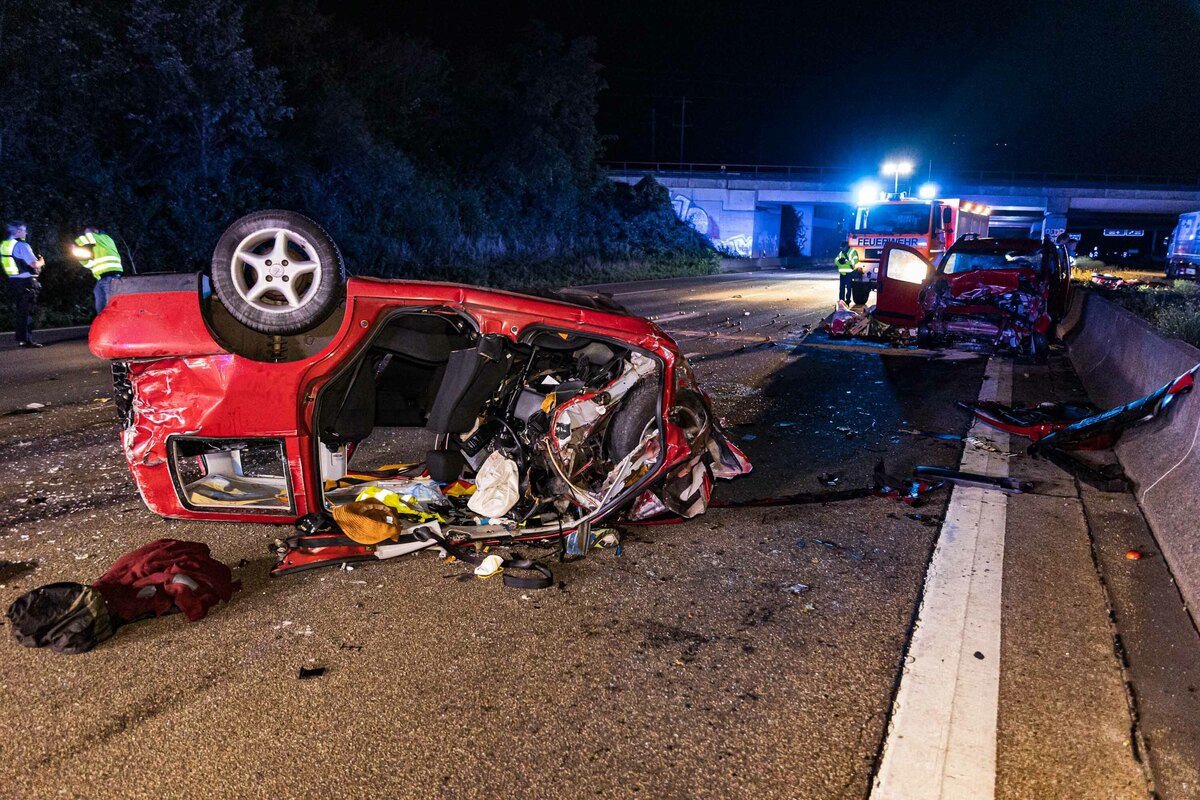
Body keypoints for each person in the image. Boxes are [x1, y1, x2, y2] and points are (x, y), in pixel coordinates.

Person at [2, 221, 45, 347]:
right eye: (23, 230)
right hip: (26, 282)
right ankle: (27, 340)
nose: (25, 233)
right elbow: (33, 264)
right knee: (27, 312)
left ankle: (21, 338)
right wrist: (41, 262)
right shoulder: (22, 245)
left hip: (13, 281)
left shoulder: (5, 244)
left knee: (20, 311)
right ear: (17, 231)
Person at [72, 226, 123, 314]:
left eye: (87, 234)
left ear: (95, 232)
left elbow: (89, 238)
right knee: (101, 307)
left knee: (111, 304)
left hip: (111, 277)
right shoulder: (98, 249)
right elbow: (91, 265)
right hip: (101, 279)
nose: (86, 236)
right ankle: (104, 322)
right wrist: (80, 258)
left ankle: (116, 322)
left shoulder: (105, 238)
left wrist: (74, 243)